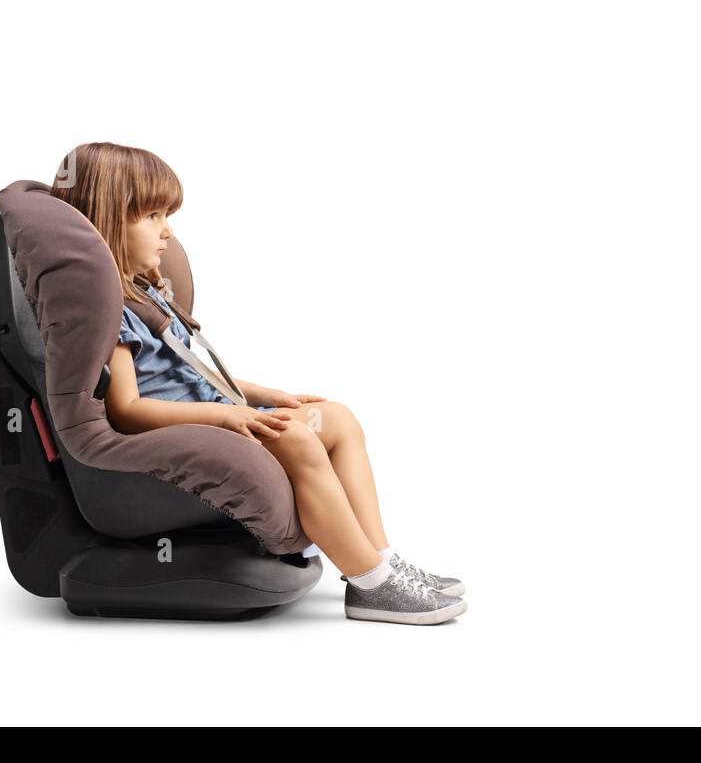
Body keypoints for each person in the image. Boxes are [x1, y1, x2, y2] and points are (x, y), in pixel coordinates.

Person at [49, 141, 466, 626]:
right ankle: (368, 581)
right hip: (189, 432)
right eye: (153, 216)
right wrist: (224, 414)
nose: (167, 233)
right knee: (296, 437)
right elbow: (127, 409)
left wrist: (266, 396)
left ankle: (383, 559)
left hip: (219, 414)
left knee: (337, 419)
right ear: (108, 221)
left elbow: (194, 374)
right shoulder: (112, 313)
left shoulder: (148, 296)